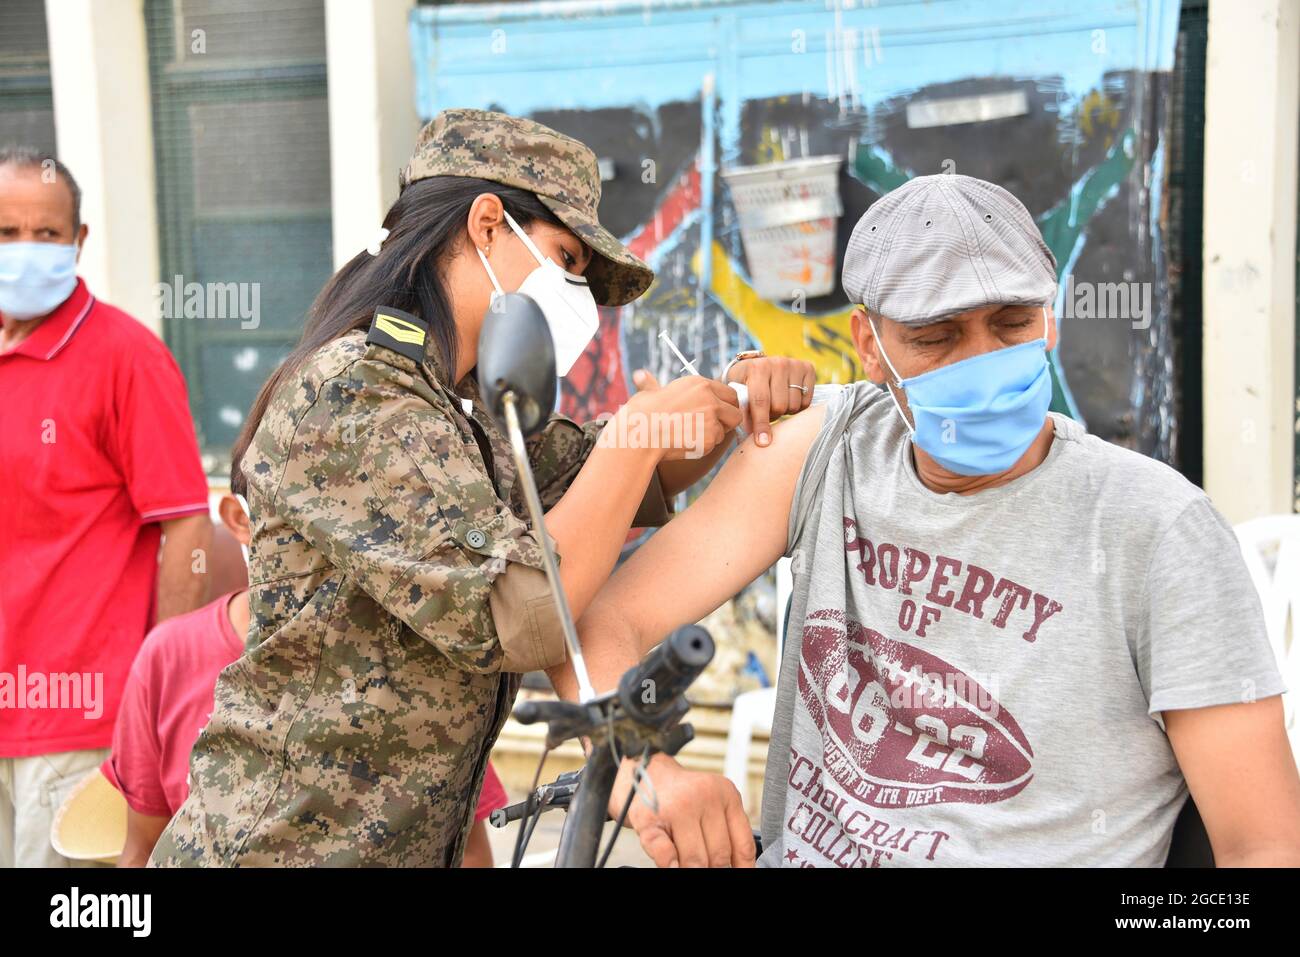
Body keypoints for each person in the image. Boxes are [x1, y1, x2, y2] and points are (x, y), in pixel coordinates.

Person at [572, 173, 1300, 867]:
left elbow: (1263, 846)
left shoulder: (1158, 529)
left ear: (1049, 321)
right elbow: (603, 622)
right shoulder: (826, 453)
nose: (981, 361)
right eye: (936, 336)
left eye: (1011, 322)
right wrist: (643, 771)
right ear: (869, 346)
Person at [150, 108, 812, 868]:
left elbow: (619, 476)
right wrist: (639, 428)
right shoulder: (357, 396)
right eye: (566, 260)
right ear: (489, 224)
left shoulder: (466, 412)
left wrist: (735, 396)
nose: (578, 297)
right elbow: (524, 614)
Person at [0, 146, 212, 868]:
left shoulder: (126, 357)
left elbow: (186, 522)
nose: (26, 250)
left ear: (80, 241)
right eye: (6, 232)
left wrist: (164, 697)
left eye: (47, 233)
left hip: (82, 719)